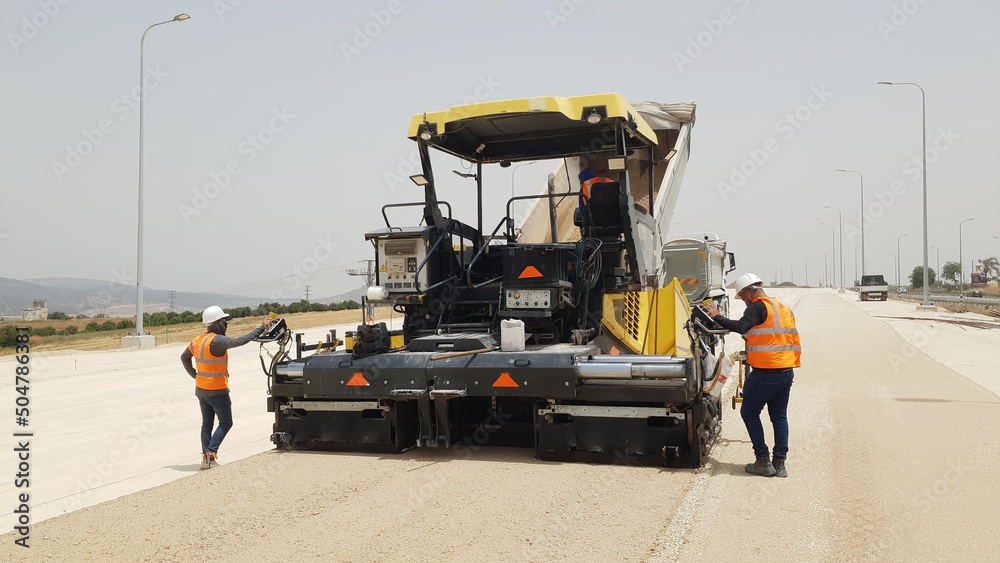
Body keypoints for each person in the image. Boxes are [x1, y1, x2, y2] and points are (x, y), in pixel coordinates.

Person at [701, 273, 801, 478]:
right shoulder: (782, 308)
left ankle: (763, 461)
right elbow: (769, 335)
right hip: (786, 371)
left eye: (743, 297)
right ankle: (780, 464)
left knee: (748, 413)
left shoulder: (756, 306)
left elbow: (741, 327)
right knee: (779, 416)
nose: (744, 301)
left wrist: (717, 316)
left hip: (765, 373)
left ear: (748, 292)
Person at [181, 306, 271, 470]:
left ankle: (206, 459)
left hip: (201, 390)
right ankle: (211, 453)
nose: (226, 325)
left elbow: (184, 357)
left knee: (206, 424)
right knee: (226, 423)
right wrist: (261, 327)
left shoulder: (198, 340)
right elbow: (239, 341)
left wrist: (195, 375)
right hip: (217, 391)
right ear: (216, 323)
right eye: (224, 322)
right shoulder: (217, 341)